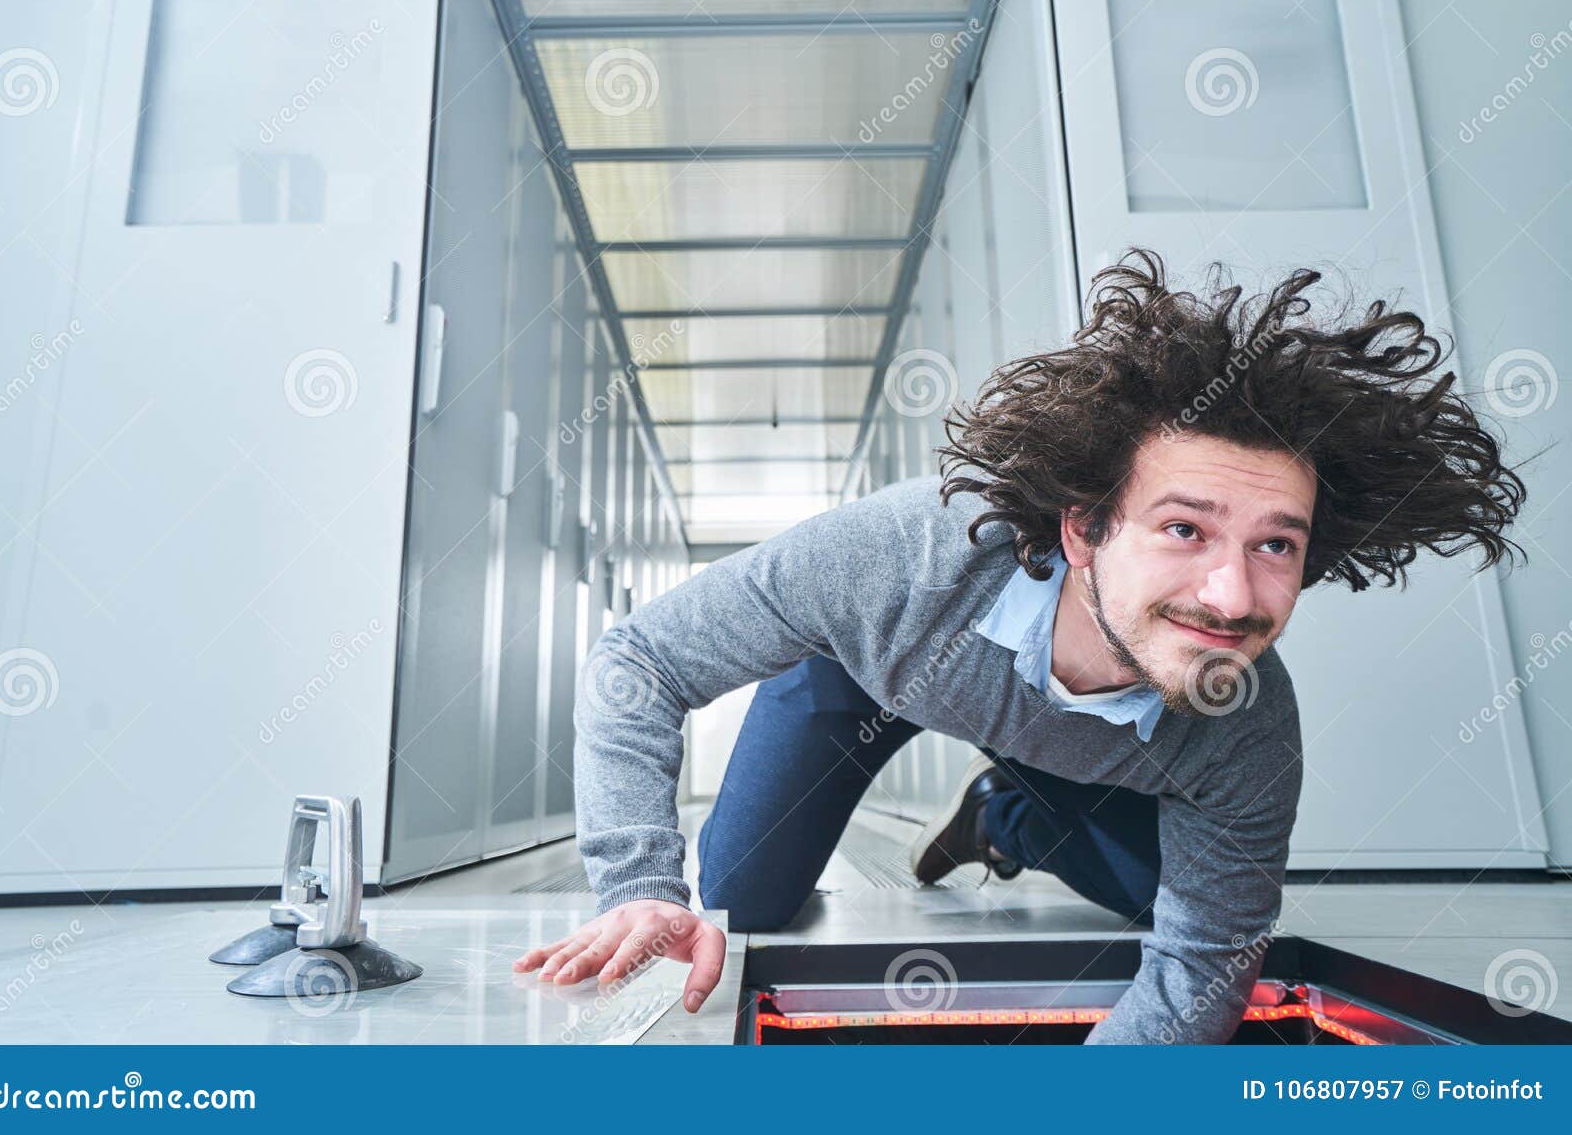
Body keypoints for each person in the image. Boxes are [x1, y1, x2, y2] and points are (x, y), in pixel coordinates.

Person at [512, 248, 1529, 1043]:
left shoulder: (1245, 722)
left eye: (1274, 545)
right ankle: (985, 782)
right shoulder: (891, 558)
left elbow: (1202, 960)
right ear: (1083, 528)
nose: (1232, 594)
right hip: (867, 682)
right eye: (1184, 527)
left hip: (1089, 741)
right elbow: (638, 661)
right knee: (744, 903)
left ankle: (1008, 815)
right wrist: (638, 881)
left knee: (1158, 899)